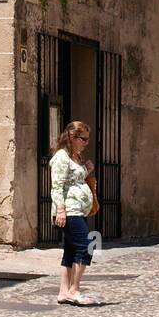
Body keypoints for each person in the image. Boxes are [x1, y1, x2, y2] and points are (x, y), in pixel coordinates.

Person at [50, 120, 99, 307]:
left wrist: (87, 169)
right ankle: (74, 290)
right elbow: (57, 186)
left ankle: (63, 291)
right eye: (83, 139)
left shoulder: (75, 156)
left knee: (70, 249)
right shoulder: (62, 157)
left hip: (78, 209)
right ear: (72, 137)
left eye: (88, 139)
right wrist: (60, 210)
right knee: (87, 245)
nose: (87, 143)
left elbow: (75, 179)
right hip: (69, 210)